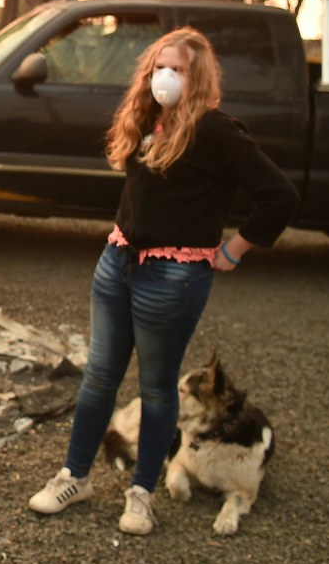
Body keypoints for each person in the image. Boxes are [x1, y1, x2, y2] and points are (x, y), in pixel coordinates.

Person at [27, 27, 298, 535]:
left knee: (156, 389)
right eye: (160, 66)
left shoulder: (217, 130)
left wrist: (234, 251)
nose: (167, 76)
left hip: (174, 276)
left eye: (180, 69)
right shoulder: (145, 118)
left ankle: (141, 494)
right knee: (99, 378)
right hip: (117, 263)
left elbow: (279, 194)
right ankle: (75, 475)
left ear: (199, 79)